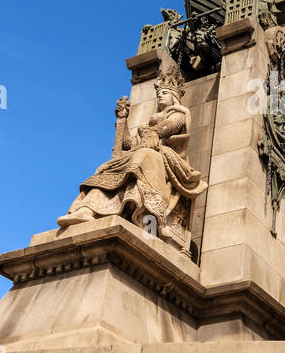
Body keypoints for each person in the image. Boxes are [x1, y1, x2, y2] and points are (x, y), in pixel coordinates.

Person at [58, 75, 206, 243]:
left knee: (143, 157)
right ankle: (87, 209)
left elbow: (170, 126)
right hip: (142, 154)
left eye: (164, 92)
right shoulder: (147, 126)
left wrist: (156, 132)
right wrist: (123, 120)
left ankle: (150, 220)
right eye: (159, 92)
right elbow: (129, 143)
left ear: (174, 98)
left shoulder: (178, 114)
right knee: (108, 167)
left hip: (165, 157)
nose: (160, 95)